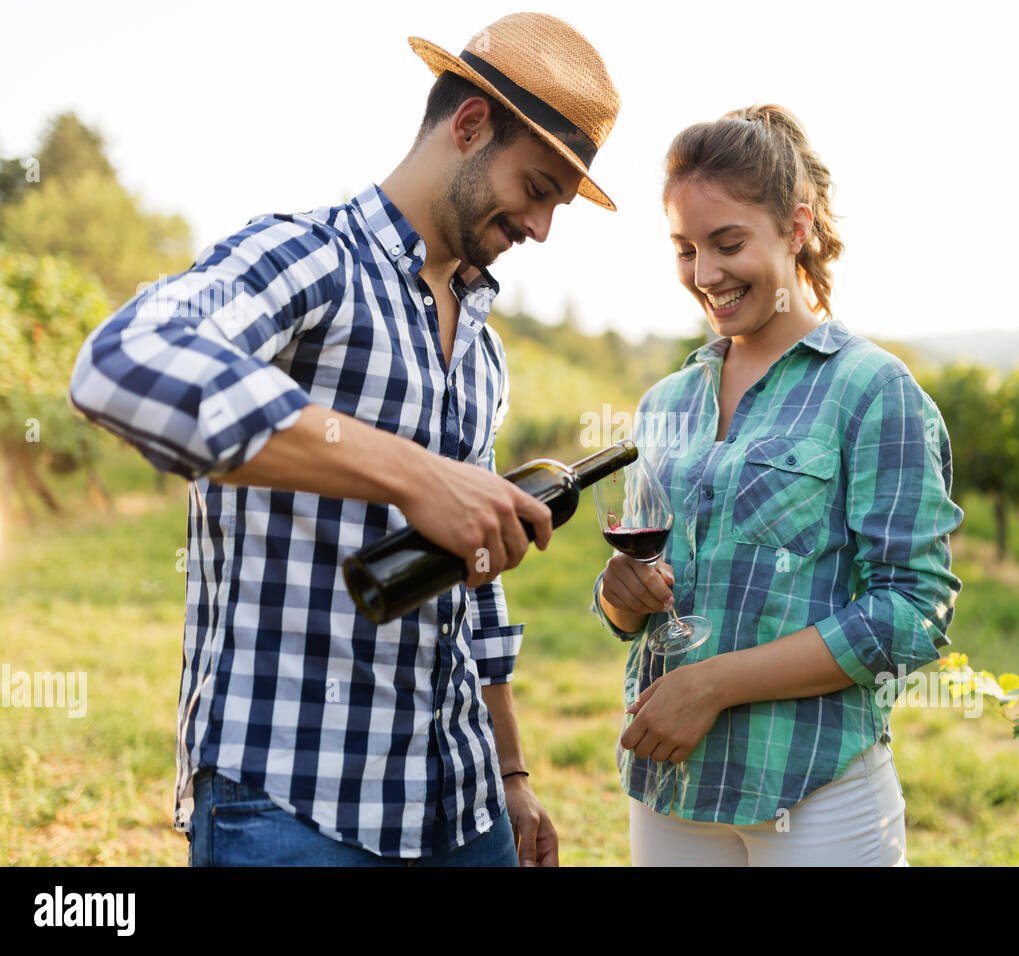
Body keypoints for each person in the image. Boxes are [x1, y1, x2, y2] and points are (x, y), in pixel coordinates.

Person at [67, 12, 621, 867]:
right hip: (295, 803)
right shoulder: (307, 257)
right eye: (538, 187)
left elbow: (475, 575)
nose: (542, 226)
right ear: (469, 124)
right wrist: (411, 475)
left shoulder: (484, 344)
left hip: (460, 803)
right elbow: (122, 360)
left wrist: (509, 772)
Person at [590, 104, 964, 866]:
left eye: (728, 243)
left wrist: (715, 685)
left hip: (815, 788)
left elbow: (911, 612)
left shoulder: (870, 389)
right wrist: (619, 595)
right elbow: (642, 600)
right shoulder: (666, 402)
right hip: (671, 785)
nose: (705, 275)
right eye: (685, 249)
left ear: (796, 229)